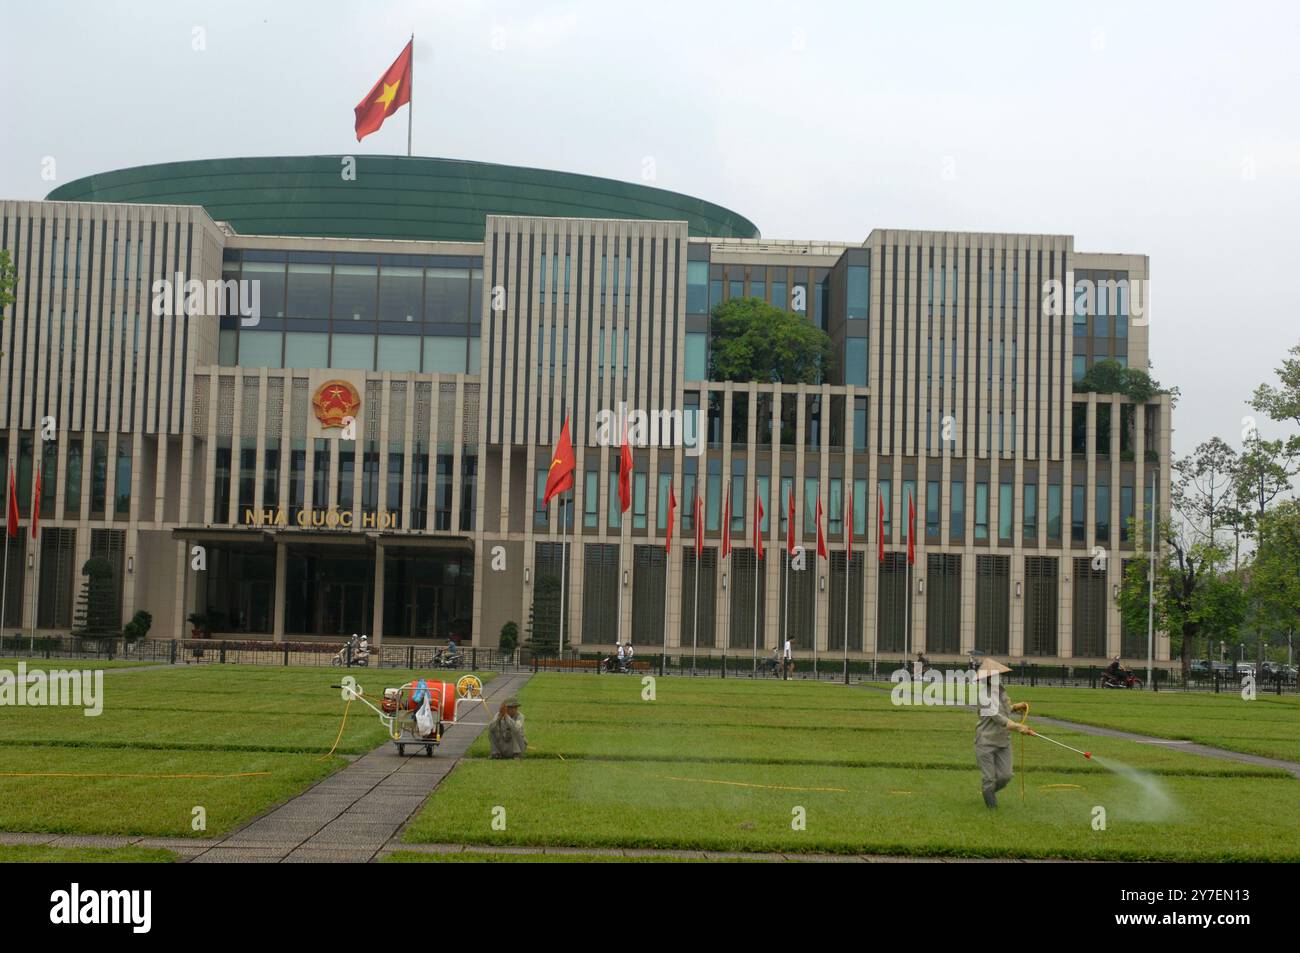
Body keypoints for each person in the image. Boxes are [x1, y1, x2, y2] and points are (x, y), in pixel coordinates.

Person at [972, 657, 1031, 808]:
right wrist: (1019, 727)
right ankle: (992, 809)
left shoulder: (1001, 692)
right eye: (995, 675)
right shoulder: (984, 695)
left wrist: (1015, 707)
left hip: (1003, 740)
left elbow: (1003, 710)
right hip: (985, 741)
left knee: (1006, 776)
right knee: (989, 779)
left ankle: (988, 791)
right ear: (988, 678)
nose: (998, 678)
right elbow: (997, 717)